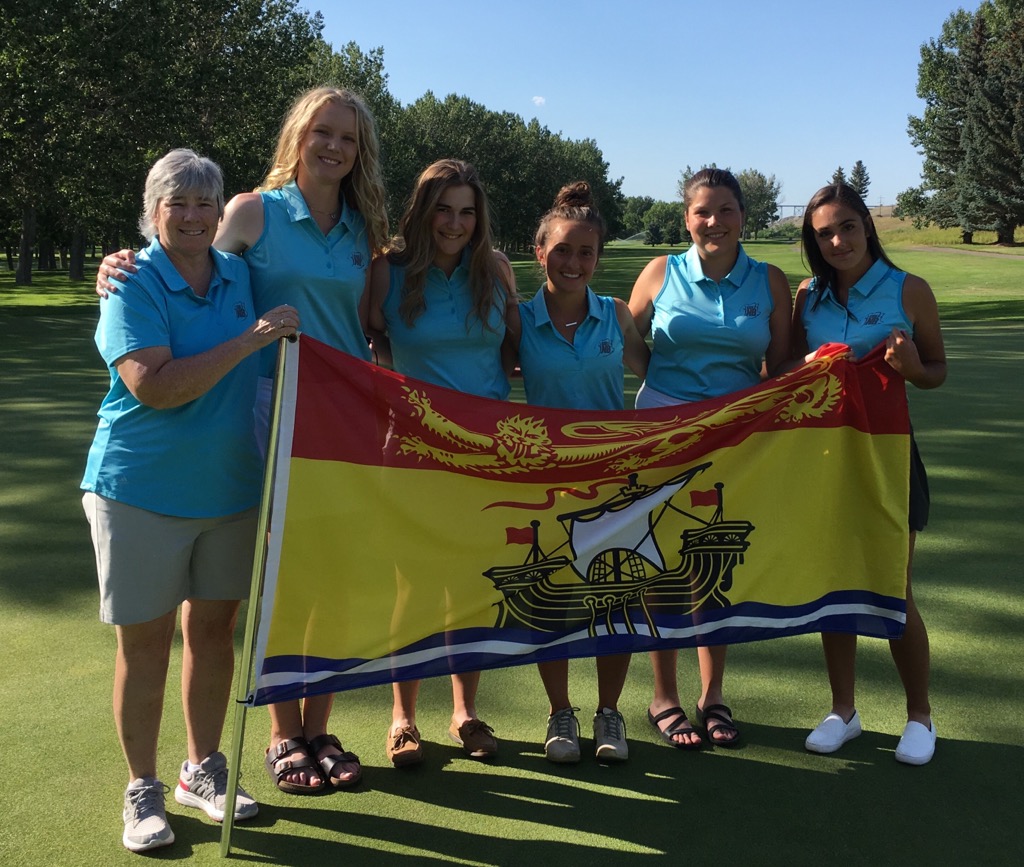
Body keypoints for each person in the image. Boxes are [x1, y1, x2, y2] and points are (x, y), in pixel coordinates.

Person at [97, 86, 390, 794]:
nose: (334, 146)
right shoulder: (254, 209)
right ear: (299, 134)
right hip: (264, 406)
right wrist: (121, 265)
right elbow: (186, 261)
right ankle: (282, 733)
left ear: (360, 150)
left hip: (340, 414)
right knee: (279, 574)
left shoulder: (363, 226)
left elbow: (376, 320)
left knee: (326, 575)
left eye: (347, 137)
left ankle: (320, 726)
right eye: (322, 131)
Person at [81, 148, 299, 852]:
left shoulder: (239, 273)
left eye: (206, 202)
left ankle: (200, 770)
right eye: (179, 202)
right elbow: (157, 384)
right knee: (144, 645)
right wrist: (251, 339)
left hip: (229, 487)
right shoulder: (132, 281)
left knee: (211, 633)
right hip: (139, 487)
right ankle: (141, 788)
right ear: (152, 213)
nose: (195, 214)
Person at [627, 167, 792, 749]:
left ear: (744, 216)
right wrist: (665, 390)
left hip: (735, 441)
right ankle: (664, 697)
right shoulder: (660, 272)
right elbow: (627, 340)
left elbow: (784, 363)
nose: (714, 221)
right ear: (686, 218)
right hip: (664, 432)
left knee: (715, 564)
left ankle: (713, 693)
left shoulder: (768, 281)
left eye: (726, 210)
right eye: (703, 211)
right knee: (660, 564)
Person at [367, 158, 517, 766]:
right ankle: (403, 718)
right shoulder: (388, 270)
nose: (454, 223)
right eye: (443, 209)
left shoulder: (496, 270)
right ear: (422, 210)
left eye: (466, 211)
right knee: (415, 585)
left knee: (473, 585)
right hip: (413, 453)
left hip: (485, 453)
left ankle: (465, 712)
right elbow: (365, 341)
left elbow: (513, 353)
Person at [794, 182, 946, 765]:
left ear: (867, 226)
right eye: (824, 233)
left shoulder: (910, 289)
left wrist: (910, 367)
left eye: (847, 227)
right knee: (837, 586)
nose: (837, 241)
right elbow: (778, 369)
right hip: (823, 458)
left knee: (891, 586)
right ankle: (844, 711)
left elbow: (936, 369)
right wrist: (804, 366)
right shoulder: (807, 296)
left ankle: (920, 716)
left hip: (887, 456)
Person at [509, 180, 649, 763]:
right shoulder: (516, 319)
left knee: (614, 598)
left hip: (613, 481)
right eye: (561, 250)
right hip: (543, 483)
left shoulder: (616, 315)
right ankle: (559, 713)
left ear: (599, 257)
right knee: (554, 601)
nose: (573, 262)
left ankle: (609, 714)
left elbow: (660, 378)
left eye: (585, 252)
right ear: (540, 252)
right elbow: (482, 381)